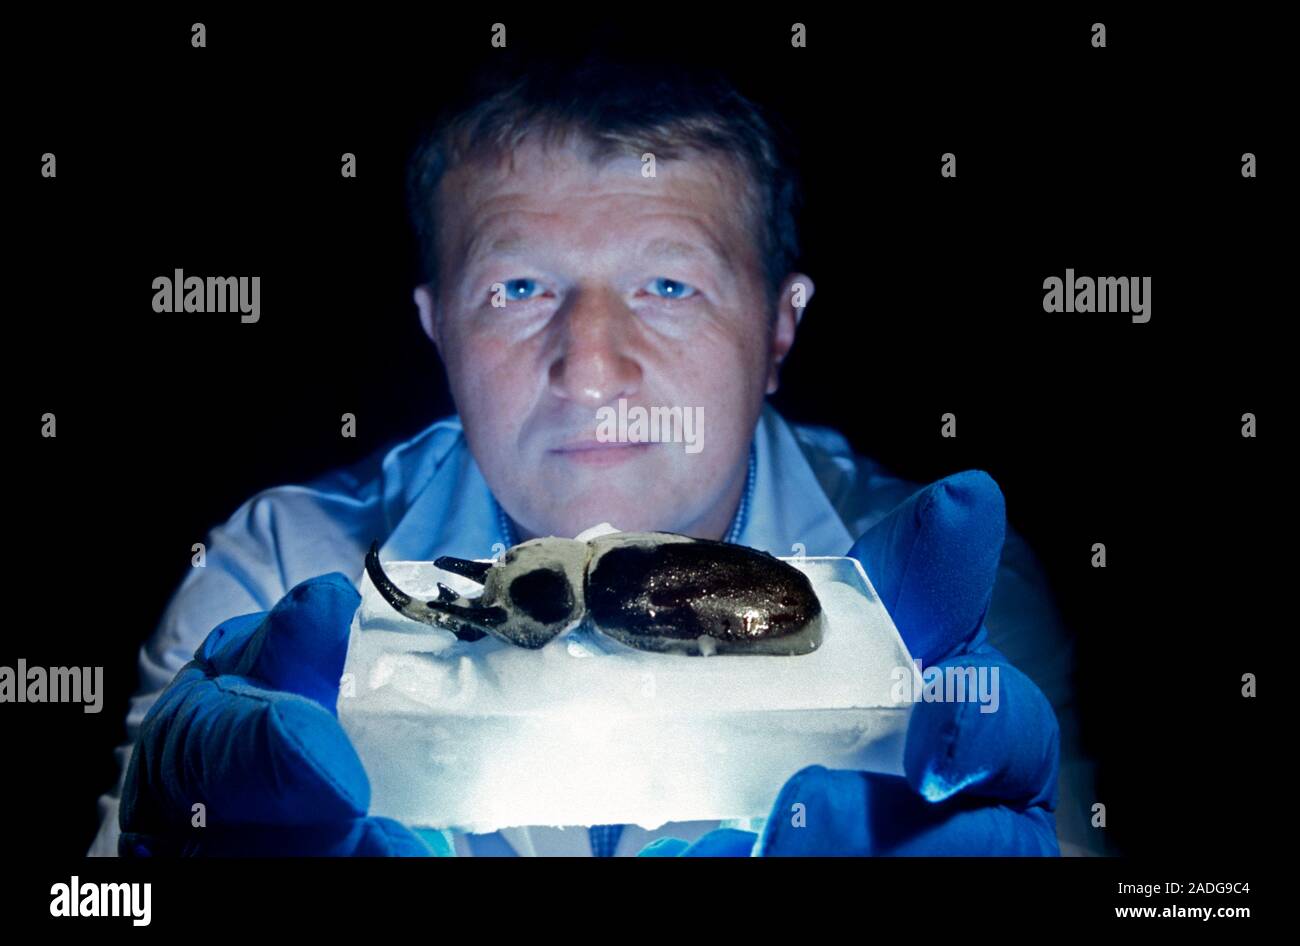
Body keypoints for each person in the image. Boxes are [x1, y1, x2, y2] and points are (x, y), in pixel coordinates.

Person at [90, 52, 1097, 857]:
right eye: (519, 289)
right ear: (435, 327)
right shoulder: (272, 568)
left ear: (781, 329)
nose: (590, 370)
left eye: (668, 286)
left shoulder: (964, 605)